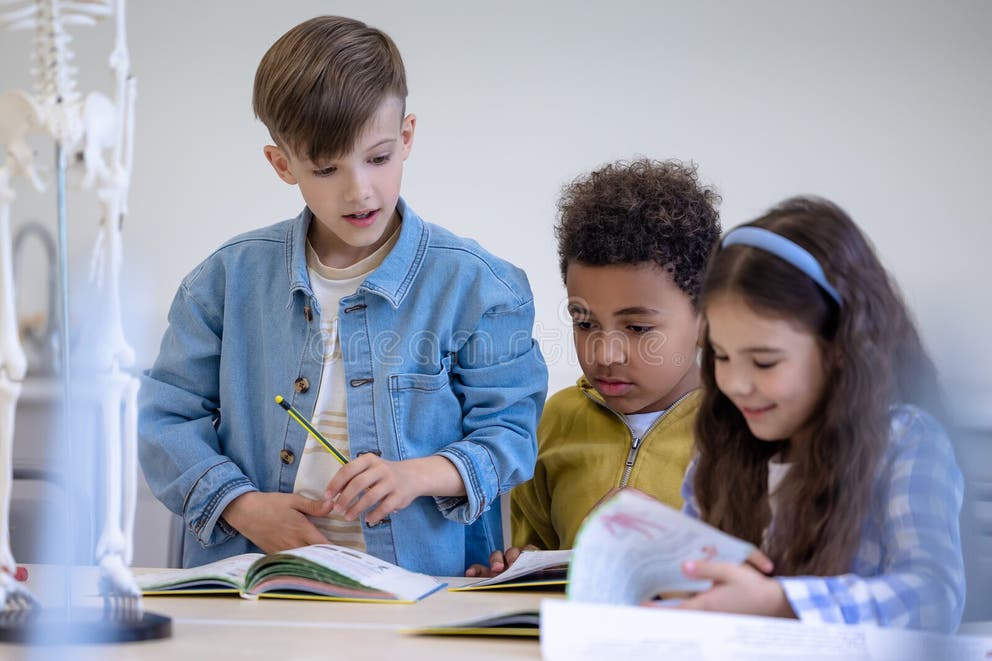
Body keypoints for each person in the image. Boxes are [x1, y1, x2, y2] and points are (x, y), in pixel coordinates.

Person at [138, 15, 547, 576]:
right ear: (282, 164)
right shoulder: (225, 281)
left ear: (407, 136)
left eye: (378, 158)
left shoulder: (481, 288)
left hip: (420, 590)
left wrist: (415, 475)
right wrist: (245, 507)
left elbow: (511, 435)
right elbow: (164, 420)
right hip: (255, 584)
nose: (359, 190)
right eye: (327, 168)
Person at [676, 196, 964, 632]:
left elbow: (935, 596)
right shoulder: (720, 452)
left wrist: (780, 602)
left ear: (840, 348)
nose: (735, 384)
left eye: (765, 362)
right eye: (721, 355)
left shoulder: (905, 442)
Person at [467, 158, 721, 576]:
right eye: (584, 323)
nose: (605, 354)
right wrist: (518, 567)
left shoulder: (742, 431)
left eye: (638, 328)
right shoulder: (554, 422)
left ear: (706, 317)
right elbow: (540, 555)